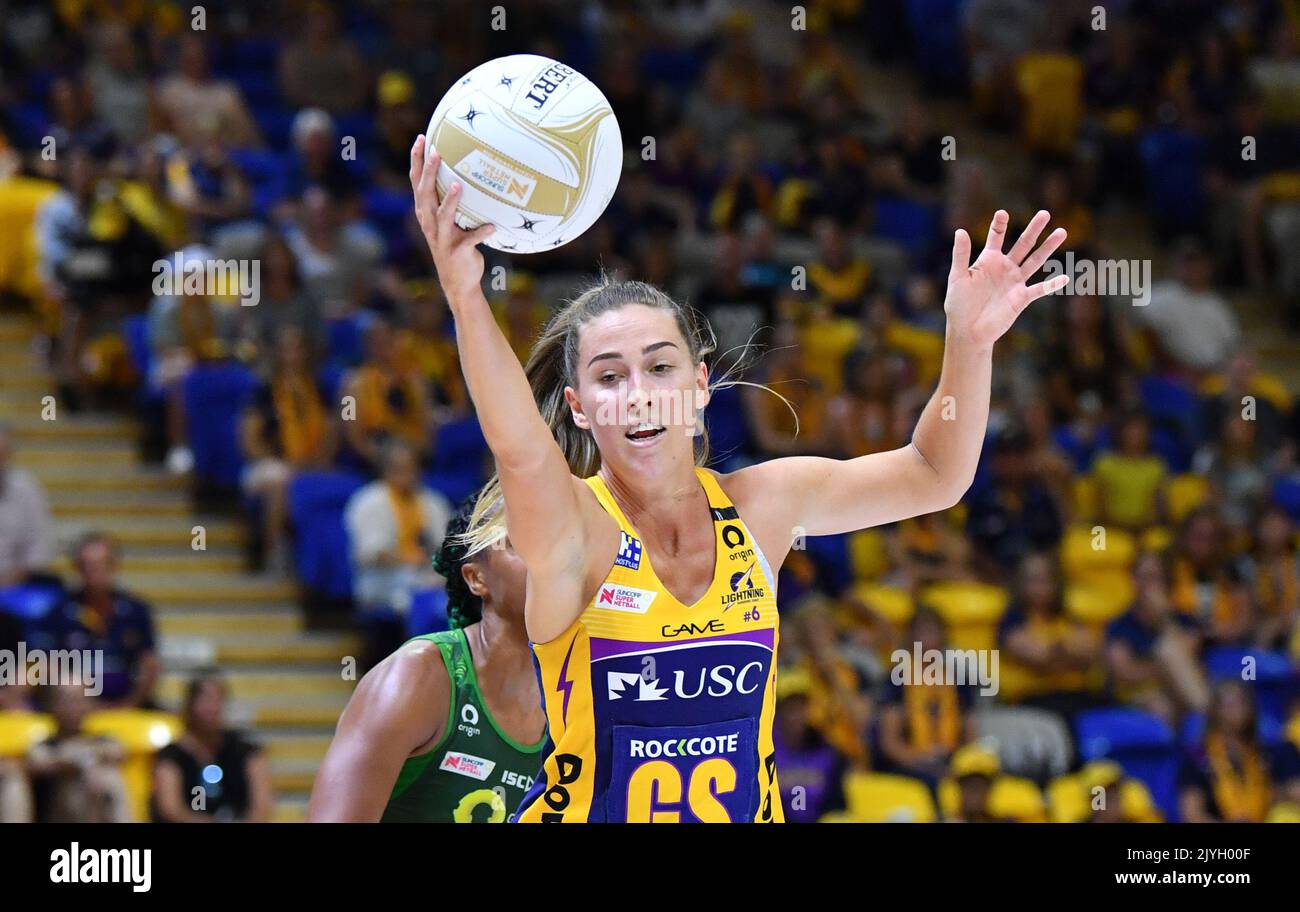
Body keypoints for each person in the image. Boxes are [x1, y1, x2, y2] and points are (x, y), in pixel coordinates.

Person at [410, 135, 1069, 822]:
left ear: (699, 386)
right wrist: (464, 296)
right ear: (578, 408)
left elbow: (936, 472)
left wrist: (969, 342)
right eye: (609, 377)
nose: (639, 393)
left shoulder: (763, 507)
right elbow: (519, 452)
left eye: (660, 367)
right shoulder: (576, 527)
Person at [309, 493, 546, 822]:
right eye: (520, 540)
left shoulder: (580, 695)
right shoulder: (417, 676)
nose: (547, 555)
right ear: (476, 578)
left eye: (555, 538)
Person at [343, 438, 452, 667]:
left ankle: (442, 670)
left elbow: (446, 549)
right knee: (412, 597)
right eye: (399, 469)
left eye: (411, 468)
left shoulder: (432, 502)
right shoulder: (369, 501)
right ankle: (410, 667)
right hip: (382, 580)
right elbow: (371, 554)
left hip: (425, 577)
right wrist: (409, 559)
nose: (406, 475)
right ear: (385, 470)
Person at [38, 532, 159, 708]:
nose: (93, 572)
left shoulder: (136, 611)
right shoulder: (59, 613)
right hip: (74, 707)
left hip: (128, 705)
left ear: (113, 566)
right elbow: (47, 665)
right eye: (86, 565)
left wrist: (129, 705)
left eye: (99, 565)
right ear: (77, 568)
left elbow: (149, 663)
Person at [150, 669, 274, 823]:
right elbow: (170, 809)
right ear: (189, 704)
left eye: (217, 699)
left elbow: (262, 807)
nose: (211, 707)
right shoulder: (171, 755)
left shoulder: (246, 751)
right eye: (204, 698)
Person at [26, 683, 131, 823]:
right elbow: (39, 764)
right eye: (67, 700)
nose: (74, 707)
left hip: (100, 808)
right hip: (59, 813)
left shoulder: (102, 739)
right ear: (52, 705)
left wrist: (86, 757)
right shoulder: (44, 745)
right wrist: (75, 760)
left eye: (79, 700)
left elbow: (119, 752)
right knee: (82, 773)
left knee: (108, 776)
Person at [0, 422, 53, 587]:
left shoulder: (28, 489)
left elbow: (40, 547)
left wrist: (12, 579)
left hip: (16, 586)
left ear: (10, 454)